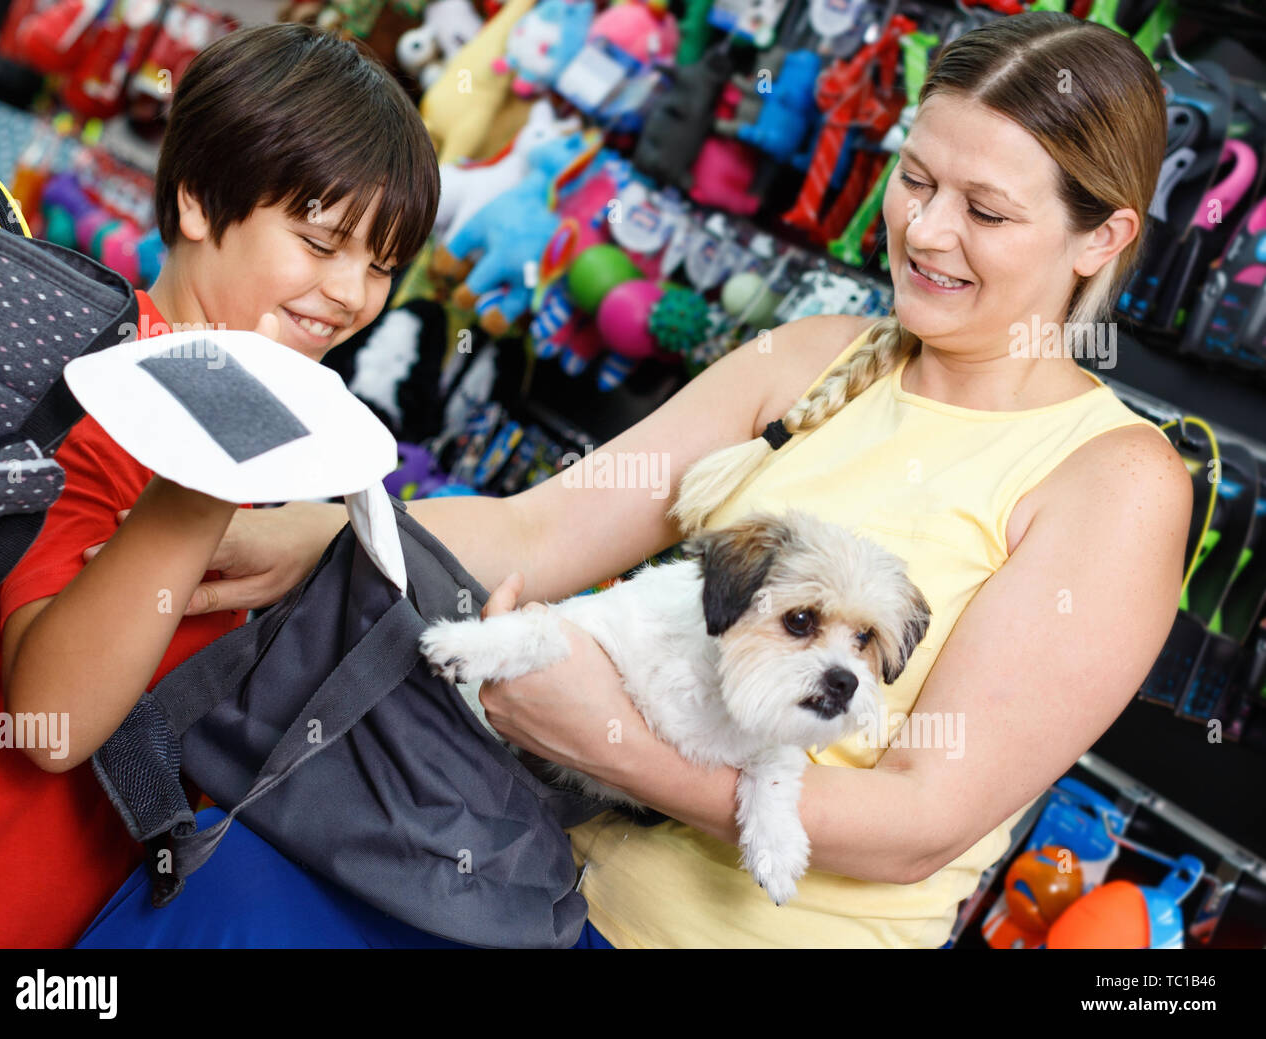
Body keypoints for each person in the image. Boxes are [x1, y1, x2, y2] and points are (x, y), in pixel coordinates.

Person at [82, 11, 1189, 948]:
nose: (924, 229)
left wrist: (611, 739)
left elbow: (920, 818)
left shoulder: (1113, 482)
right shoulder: (822, 357)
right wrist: (331, 532)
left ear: (1103, 239)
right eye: (913, 179)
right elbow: (545, 525)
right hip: (522, 883)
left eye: (985, 211)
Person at [0, 22, 439, 947]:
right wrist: (217, 466)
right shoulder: (90, 395)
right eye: (319, 241)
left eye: (380, 265)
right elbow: (54, 724)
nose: (350, 293)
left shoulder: (283, 447)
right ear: (194, 200)